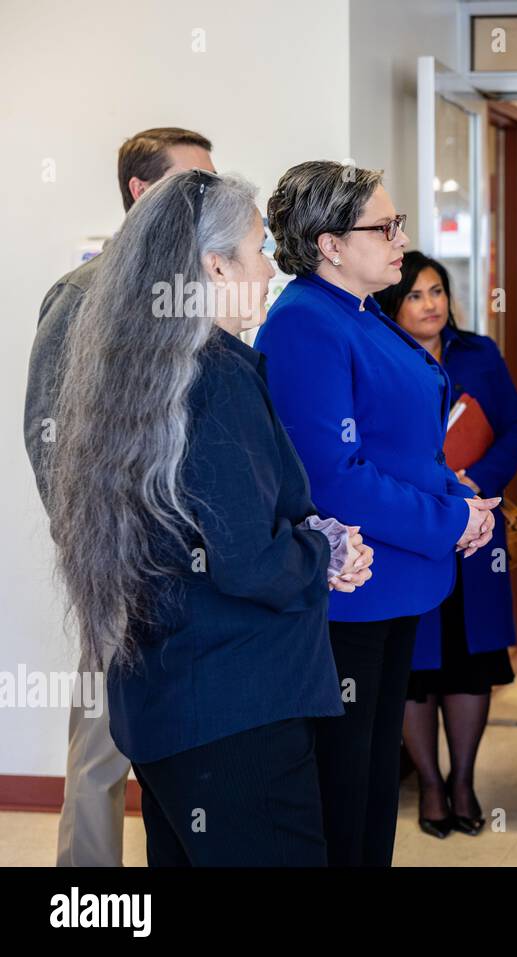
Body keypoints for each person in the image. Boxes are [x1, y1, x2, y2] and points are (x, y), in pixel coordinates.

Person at [46, 169, 374, 865]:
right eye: (259, 250)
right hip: (238, 710)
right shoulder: (216, 373)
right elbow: (249, 560)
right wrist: (327, 553)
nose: (271, 269)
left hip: (166, 704)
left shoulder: (133, 367)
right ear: (216, 264)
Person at [255, 161, 499, 866]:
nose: (401, 239)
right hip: (353, 591)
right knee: (346, 786)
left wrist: (460, 498)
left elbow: (405, 447)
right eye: (384, 227)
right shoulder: (304, 323)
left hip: (394, 583)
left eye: (399, 224)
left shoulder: (360, 313)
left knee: (371, 785)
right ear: (330, 244)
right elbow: (335, 479)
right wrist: (448, 522)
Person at [23, 126, 215, 867]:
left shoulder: (204, 285)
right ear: (142, 191)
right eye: (191, 180)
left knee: (188, 737)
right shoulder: (83, 293)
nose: (206, 195)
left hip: (195, 558)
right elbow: (49, 433)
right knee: (104, 747)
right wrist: (95, 546)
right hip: (118, 561)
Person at [375, 252, 517, 838]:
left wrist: (477, 482)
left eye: (437, 291)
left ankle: (462, 781)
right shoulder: (380, 353)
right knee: (416, 665)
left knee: (471, 660)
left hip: (477, 528)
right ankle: (430, 786)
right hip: (409, 530)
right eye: (415, 295)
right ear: (394, 305)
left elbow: (515, 428)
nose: (431, 304)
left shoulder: (479, 354)